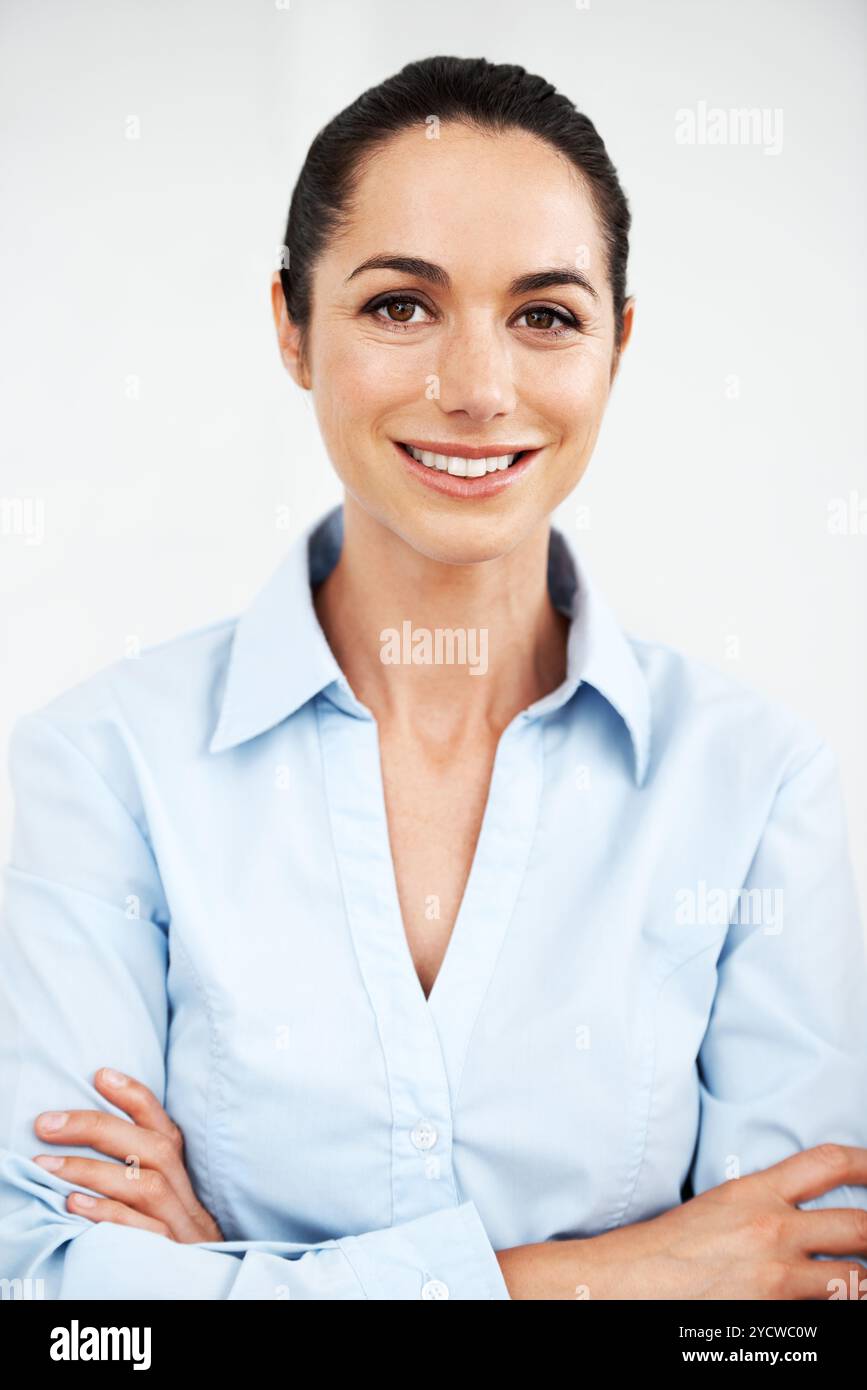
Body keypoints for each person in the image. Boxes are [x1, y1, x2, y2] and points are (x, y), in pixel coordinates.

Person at [1, 55, 866, 1301]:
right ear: (293, 327)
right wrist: (612, 1274)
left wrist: (242, 1281)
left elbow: (793, 1307)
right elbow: (64, 1312)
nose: (475, 389)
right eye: (400, 306)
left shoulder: (756, 785)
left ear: (616, 347)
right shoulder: (105, 763)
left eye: (546, 314)